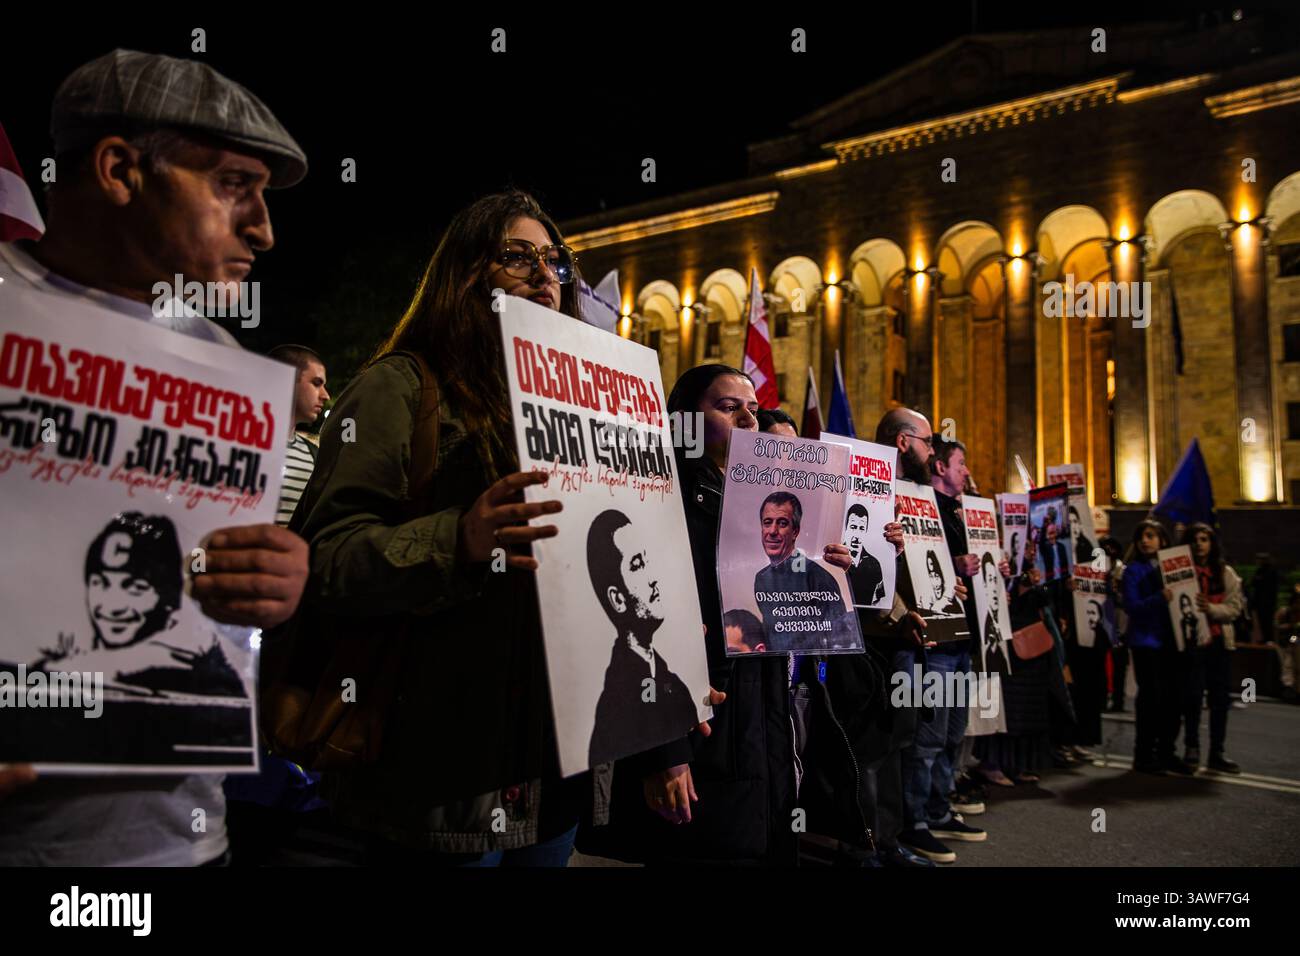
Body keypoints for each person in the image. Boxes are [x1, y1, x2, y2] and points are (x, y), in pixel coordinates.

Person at [0, 49, 310, 866]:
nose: (264, 230)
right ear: (118, 169)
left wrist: (274, 584)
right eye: (234, 184)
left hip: (184, 840)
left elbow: (225, 595)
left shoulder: (220, 360)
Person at [587, 509, 698, 767]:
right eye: (637, 565)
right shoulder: (614, 707)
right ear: (618, 599)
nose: (654, 578)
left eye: (648, 560)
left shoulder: (671, 680)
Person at [1120, 519, 1190, 776]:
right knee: (1150, 700)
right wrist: (1158, 599)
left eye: (1151, 536)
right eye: (1141, 536)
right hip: (1145, 643)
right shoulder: (1133, 570)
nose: (1145, 541)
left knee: (1173, 701)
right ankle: (1144, 755)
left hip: (1172, 642)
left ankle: (1167, 753)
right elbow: (1132, 607)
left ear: (1162, 539)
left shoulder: (1171, 566)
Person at [1179, 523, 1244, 773]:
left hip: (1218, 643)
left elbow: (1234, 609)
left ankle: (1217, 751)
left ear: (1212, 543)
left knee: (1219, 700)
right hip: (1193, 643)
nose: (1199, 544)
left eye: (1204, 539)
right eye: (1195, 539)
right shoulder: (1184, 572)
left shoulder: (1225, 573)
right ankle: (1191, 748)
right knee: (1192, 697)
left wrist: (1211, 609)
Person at [753, 492, 853, 652]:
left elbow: (839, 640)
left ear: (795, 532)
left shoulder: (819, 577)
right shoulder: (761, 578)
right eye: (767, 522)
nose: (772, 531)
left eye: (782, 523)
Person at [267, 344, 330, 527]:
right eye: (317, 383)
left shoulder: (315, 456)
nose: (325, 395)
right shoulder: (236, 447)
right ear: (284, 379)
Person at [844, 504, 886, 606]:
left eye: (861, 528)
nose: (857, 536)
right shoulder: (832, 560)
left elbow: (877, 602)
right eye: (853, 527)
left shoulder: (874, 564)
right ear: (846, 527)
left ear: (866, 530)